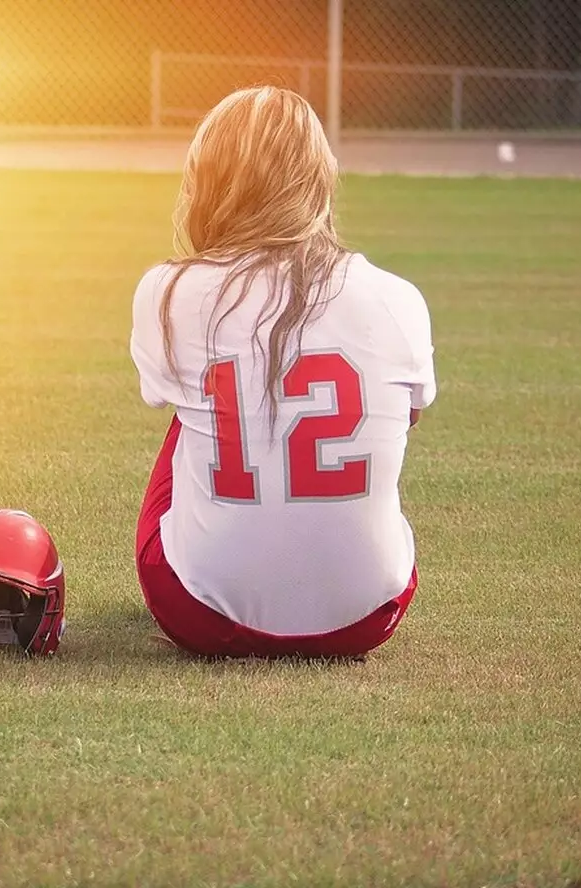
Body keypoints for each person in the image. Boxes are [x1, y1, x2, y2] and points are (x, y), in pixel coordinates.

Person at [129, 85, 437, 659]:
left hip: (198, 614)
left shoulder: (167, 291)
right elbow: (407, 416)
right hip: (367, 617)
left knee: (193, 413)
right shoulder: (399, 297)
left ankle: (236, 559)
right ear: (319, 177)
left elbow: (172, 396)